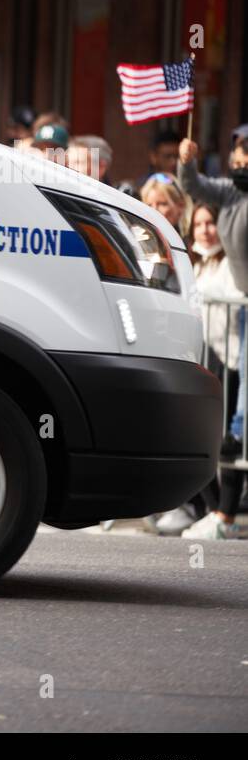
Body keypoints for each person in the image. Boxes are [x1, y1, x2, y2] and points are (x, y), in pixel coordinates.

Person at [154, 202, 241, 533]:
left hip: (229, 362)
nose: (205, 230)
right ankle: (213, 509)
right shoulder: (199, 265)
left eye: (211, 223)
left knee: (229, 442)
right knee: (199, 437)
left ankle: (225, 516)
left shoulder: (231, 265)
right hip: (202, 360)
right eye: (200, 224)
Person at [176, 135, 248, 538]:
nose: (241, 160)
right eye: (237, 155)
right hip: (235, 327)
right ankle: (220, 513)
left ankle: (224, 513)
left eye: (246, 155)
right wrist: (188, 163)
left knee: (240, 415)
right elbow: (195, 187)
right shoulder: (231, 192)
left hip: (241, 313)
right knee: (232, 420)